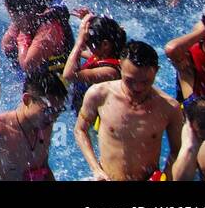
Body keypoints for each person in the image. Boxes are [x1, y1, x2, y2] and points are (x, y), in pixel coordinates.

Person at [75, 41, 183, 180]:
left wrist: (166, 176)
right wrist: (96, 169)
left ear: (157, 70)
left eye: (145, 82)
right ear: (120, 66)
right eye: (129, 80)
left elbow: (177, 150)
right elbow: (80, 130)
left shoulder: (169, 107)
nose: (137, 88)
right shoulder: (99, 94)